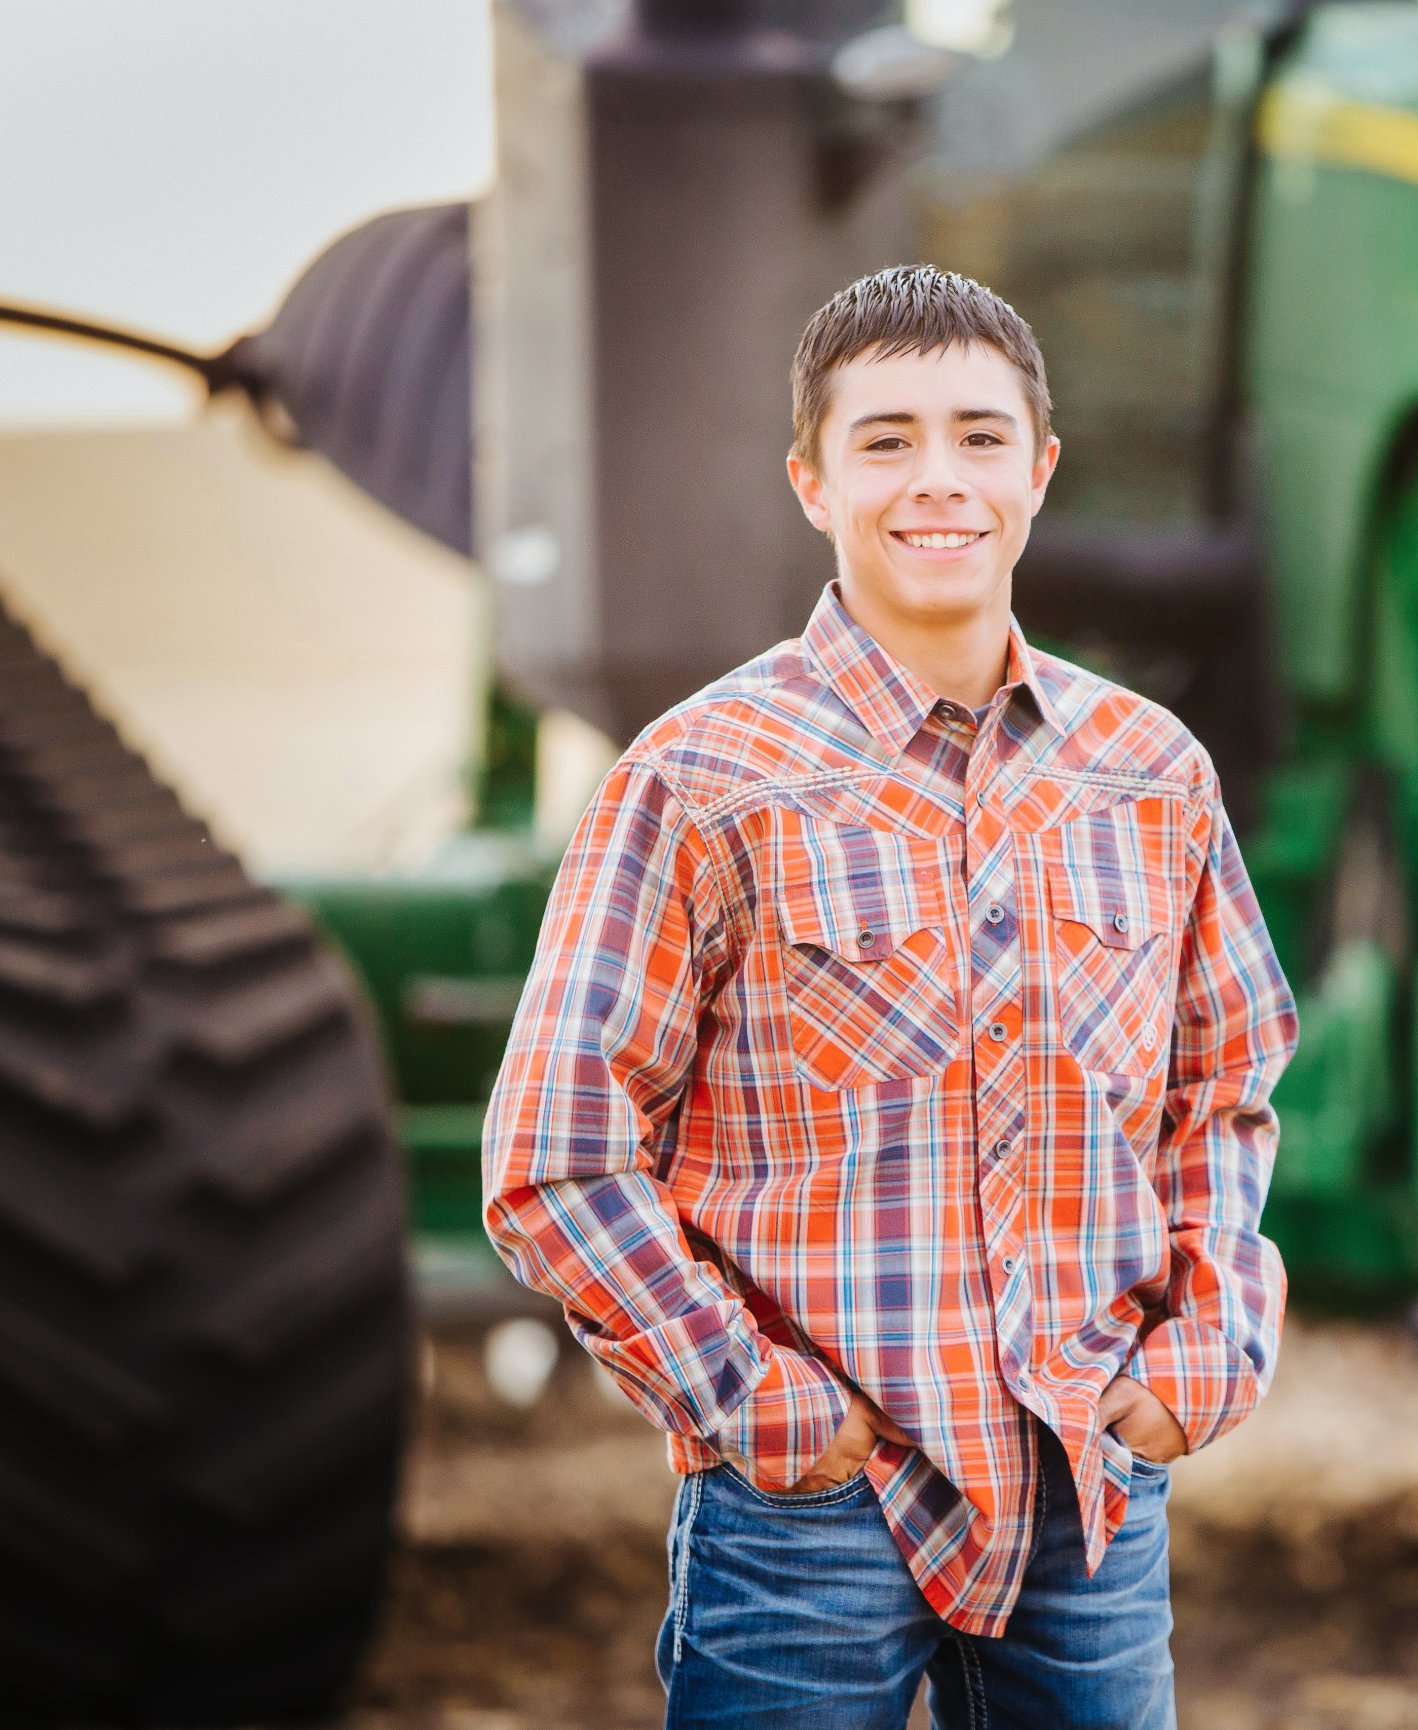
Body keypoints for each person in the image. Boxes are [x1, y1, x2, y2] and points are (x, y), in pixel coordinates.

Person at [481, 264, 1298, 1729]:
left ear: (1041, 471)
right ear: (810, 479)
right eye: (886, 439)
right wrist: (753, 1401)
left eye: (982, 437)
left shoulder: (1150, 773)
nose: (941, 479)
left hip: (1087, 1502)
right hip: (809, 1524)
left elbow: (1223, 1094)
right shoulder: (702, 777)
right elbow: (556, 1153)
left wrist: (1199, 1348)